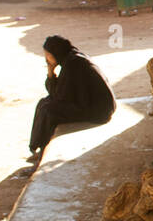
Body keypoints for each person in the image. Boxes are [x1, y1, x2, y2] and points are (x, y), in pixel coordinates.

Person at [27, 35, 116, 164]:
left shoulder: (73, 65)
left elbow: (58, 96)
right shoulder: (71, 58)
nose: (46, 59)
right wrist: (51, 71)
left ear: (55, 53)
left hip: (99, 111)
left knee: (48, 110)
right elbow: (58, 93)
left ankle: (41, 154)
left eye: (48, 55)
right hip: (91, 103)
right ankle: (40, 148)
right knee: (44, 103)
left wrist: (50, 71)